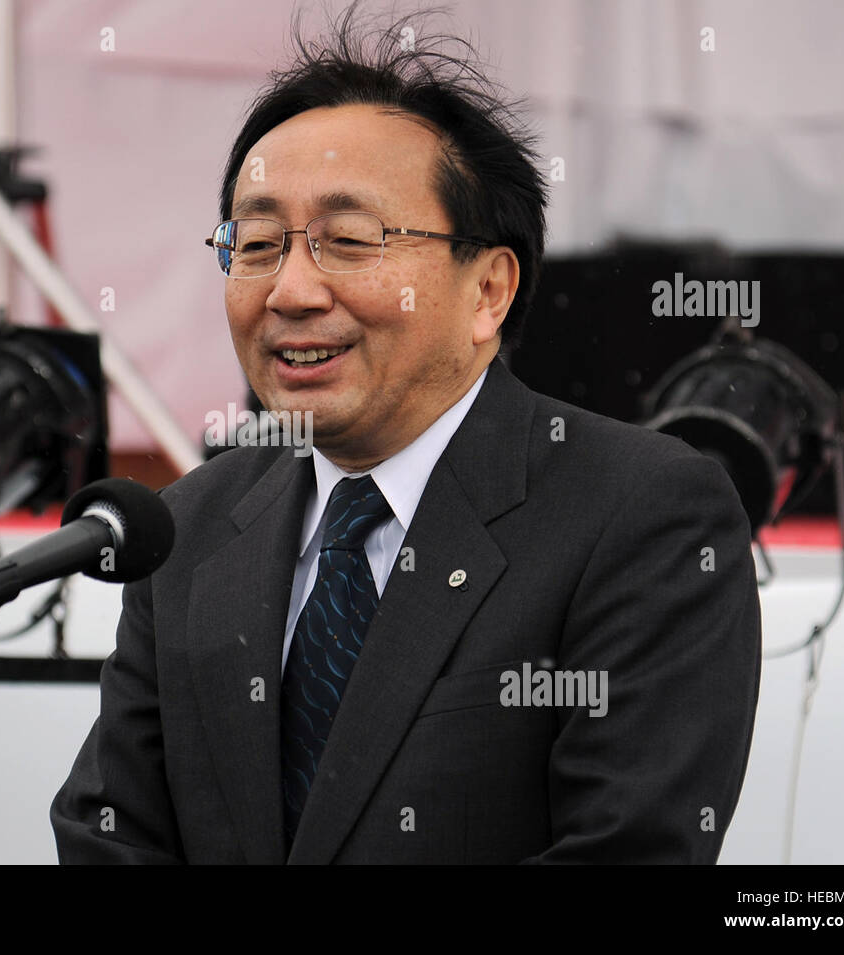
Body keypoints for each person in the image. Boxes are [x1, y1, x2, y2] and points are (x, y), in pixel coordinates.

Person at [51, 4, 761, 864]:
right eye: (260, 242)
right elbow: (110, 834)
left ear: (489, 290)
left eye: (349, 240)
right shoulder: (189, 527)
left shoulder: (639, 513)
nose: (291, 291)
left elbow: (629, 850)